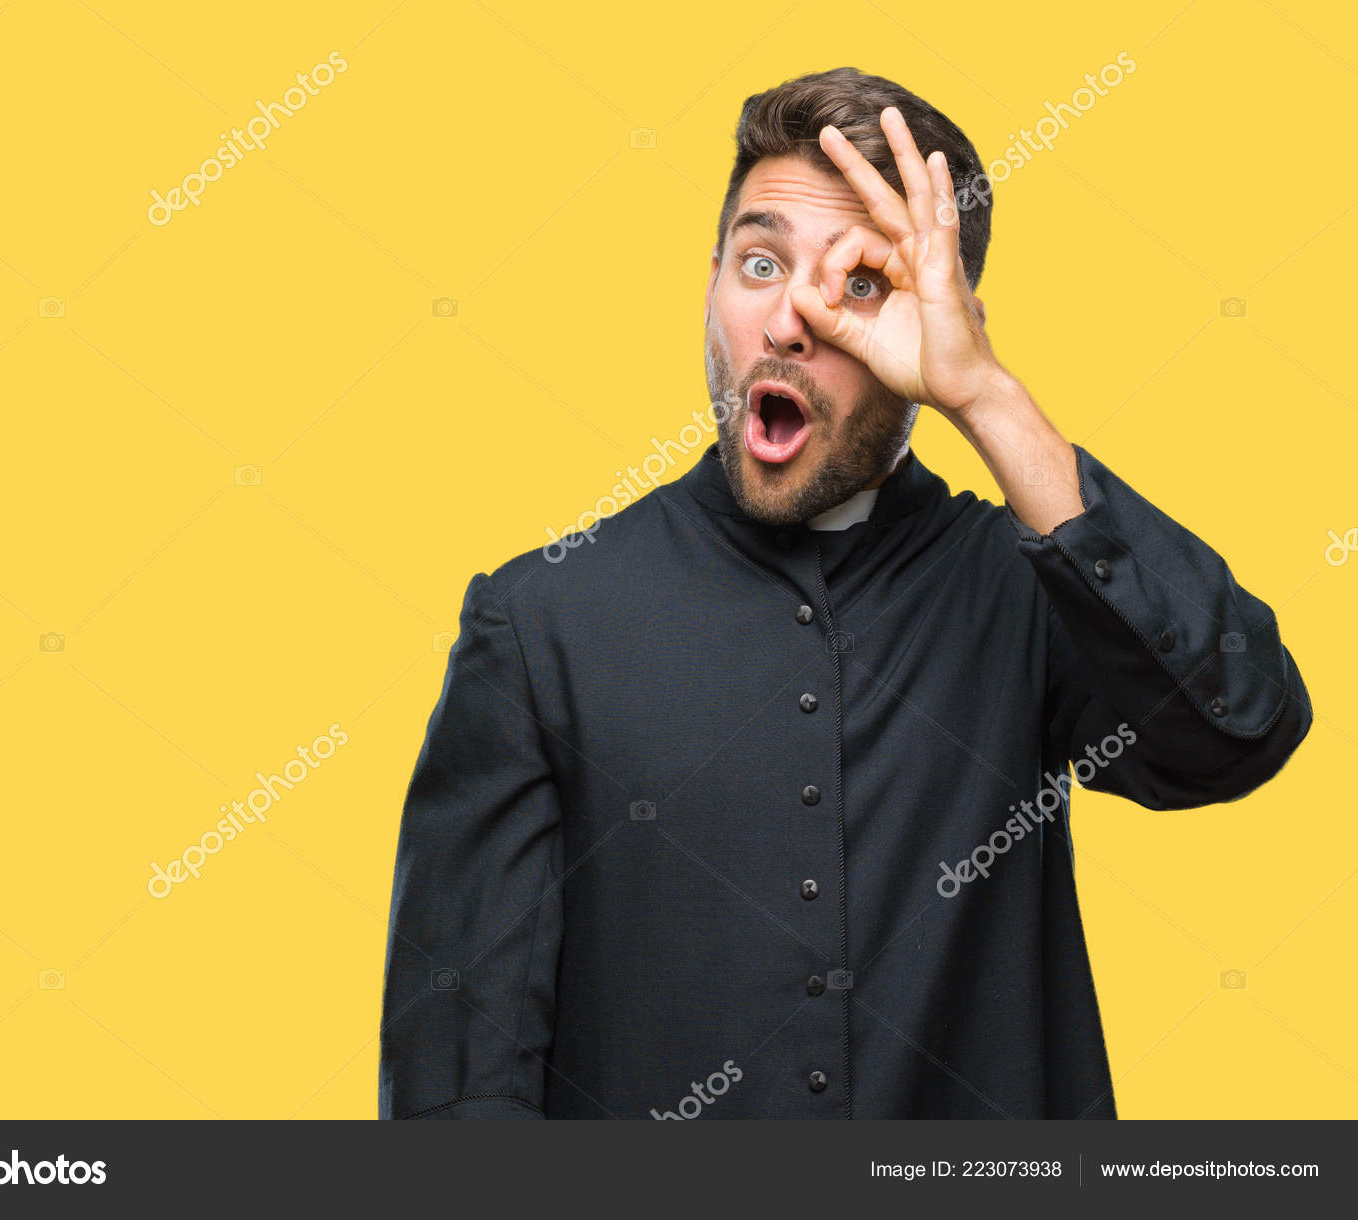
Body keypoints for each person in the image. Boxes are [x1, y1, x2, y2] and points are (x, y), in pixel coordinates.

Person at [378, 67, 1312, 1119]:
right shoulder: (540, 624)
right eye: (759, 261)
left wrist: (986, 394)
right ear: (710, 284)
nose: (789, 320)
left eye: (858, 283)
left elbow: (1237, 728)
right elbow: (457, 1089)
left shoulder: (1023, 586)